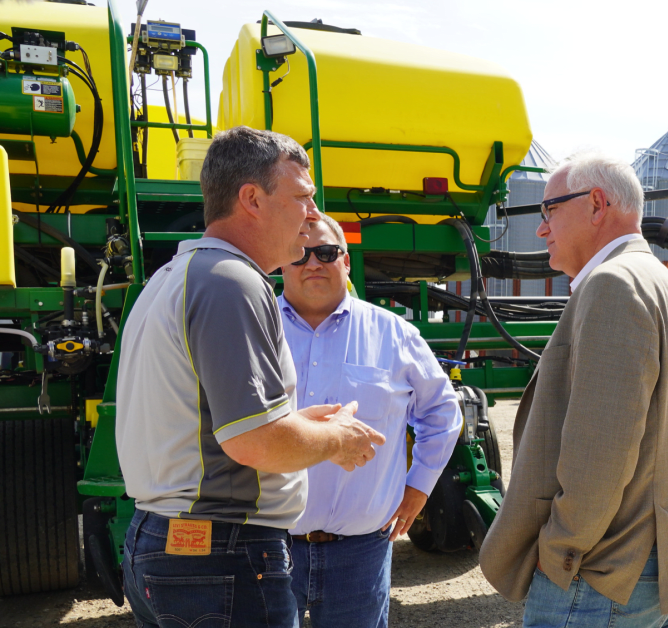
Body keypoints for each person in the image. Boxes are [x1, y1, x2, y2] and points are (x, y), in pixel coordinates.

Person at [116, 126, 385, 628]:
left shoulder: (175, 276)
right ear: (252, 199)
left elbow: (206, 424)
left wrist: (294, 422)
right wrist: (335, 438)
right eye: (303, 196)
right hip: (224, 555)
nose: (312, 213)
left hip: (176, 546)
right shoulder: (231, 282)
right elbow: (255, 443)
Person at [479, 152, 668, 627]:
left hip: (600, 573)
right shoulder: (660, 283)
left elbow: (601, 452)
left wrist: (561, 550)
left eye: (550, 210)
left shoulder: (613, 284)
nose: (542, 229)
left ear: (597, 203)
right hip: (649, 562)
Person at [280, 214, 462, 627]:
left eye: (326, 253)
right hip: (268, 548)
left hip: (359, 554)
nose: (313, 263)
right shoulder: (254, 331)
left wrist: (419, 486)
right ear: (280, 262)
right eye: (300, 253)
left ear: (345, 262)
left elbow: (442, 411)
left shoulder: (393, 334)